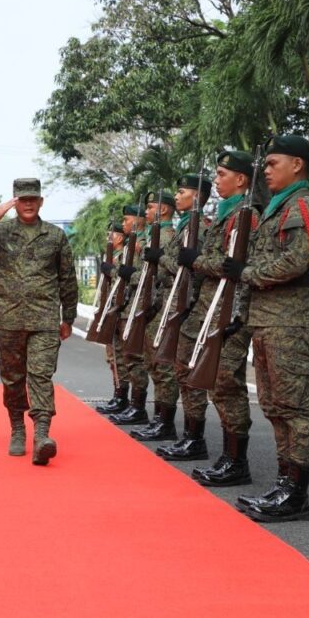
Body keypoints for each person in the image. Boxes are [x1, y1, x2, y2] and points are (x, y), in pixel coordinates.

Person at [225, 135, 309, 523]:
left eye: (273, 163)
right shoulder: (277, 207)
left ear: (297, 165)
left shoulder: (303, 204)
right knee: (273, 406)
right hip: (268, 318)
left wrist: (247, 273)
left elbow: (299, 260)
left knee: (293, 408)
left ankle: (296, 494)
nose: (265, 170)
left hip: (290, 319)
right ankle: (285, 482)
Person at [0, 178, 77, 465]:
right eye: (22, 199)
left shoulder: (54, 235)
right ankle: (16, 428)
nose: (27, 204)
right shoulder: (0, 231)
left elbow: (67, 278)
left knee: (40, 376)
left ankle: (41, 435)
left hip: (45, 319)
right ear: (14, 201)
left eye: (32, 199)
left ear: (40, 202)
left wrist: (69, 317)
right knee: (13, 380)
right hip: (9, 318)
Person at [164, 152, 258, 476]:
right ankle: (194, 438)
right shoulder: (224, 214)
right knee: (187, 368)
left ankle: (236, 459)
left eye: (221, 174)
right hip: (205, 306)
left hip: (226, 310)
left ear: (241, 179)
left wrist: (196, 261)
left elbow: (238, 267)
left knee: (224, 383)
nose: (216, 181)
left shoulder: (246, 216)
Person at [130, 180, 210, 442]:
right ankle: (165, 422)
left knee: (170, 366)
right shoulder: (183, 227)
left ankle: (175, 427)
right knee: (161, 363)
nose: (178, 196)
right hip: (167, 298)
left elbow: (183, 268)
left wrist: (159, 257)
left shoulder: (182, 229)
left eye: (181, 192)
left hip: (180, 301)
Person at [109, 192, 176, 428]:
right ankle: (146, 412)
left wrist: (129, 275)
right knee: (143, 361)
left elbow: (157, 276)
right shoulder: (146, 239)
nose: (145, 213)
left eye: (149, 208)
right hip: (141, 305)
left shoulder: (165, 237)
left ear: (163, 209)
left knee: (157, 365)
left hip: (155, 305)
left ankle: (160, 419)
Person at [94, 205, 144, 415]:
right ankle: (120, 396)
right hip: (117, 308)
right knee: (116, 356)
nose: (122, 228)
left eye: (125, 221)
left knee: (131, 358)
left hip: (130, 307)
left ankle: (136, 405)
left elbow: (132, 277)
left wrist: (113, 270)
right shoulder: (122, 251)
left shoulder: (137, 247)